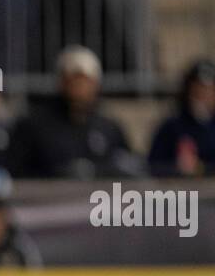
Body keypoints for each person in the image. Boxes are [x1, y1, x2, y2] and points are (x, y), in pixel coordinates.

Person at [12, 45, 139, 178]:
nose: (79, 87)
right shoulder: (34, 126)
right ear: (62, 81)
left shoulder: (110, 128)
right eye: (73, 80)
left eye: (85, 81)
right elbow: (18, 171)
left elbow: (127, 167)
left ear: (96, 84)